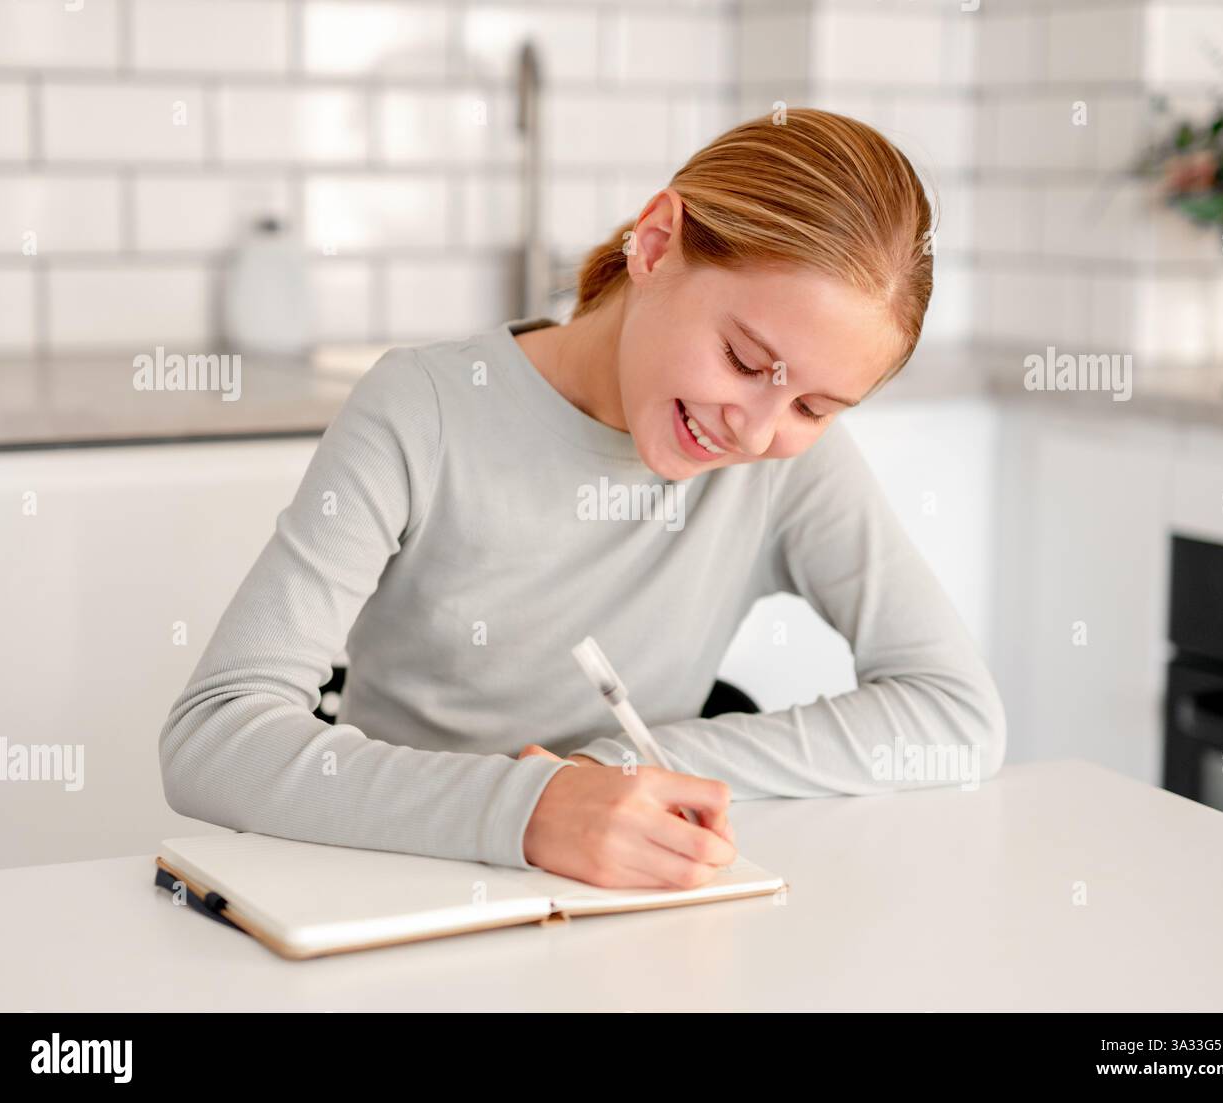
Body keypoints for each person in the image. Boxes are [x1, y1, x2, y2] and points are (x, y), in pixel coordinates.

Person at [159, 107, 1006, 892]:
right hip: (402, 889)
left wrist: (622, 770)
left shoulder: (788, 465)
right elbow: (213, 735)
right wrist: (530, 808)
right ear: (656, 244)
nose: (754, 433)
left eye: (814, 407)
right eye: (746, 362)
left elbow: (957, 714)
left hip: (621, 909)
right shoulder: (424, 408)